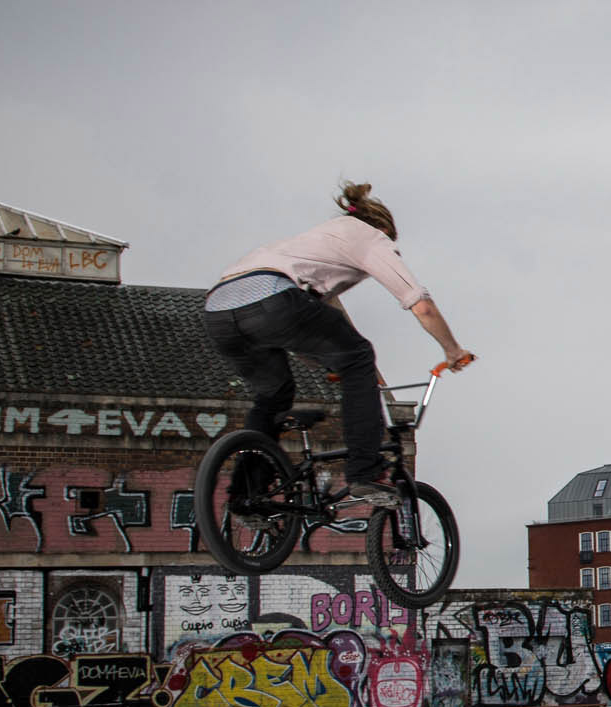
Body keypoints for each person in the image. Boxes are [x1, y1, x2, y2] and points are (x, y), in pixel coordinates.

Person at [202, 182, 472, 506]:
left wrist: (341, 365)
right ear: (383, 228)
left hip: (218, 310)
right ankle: (365, 473)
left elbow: (323, 320)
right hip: (272, 300)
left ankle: (247, 495)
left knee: (273, 395)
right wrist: (452, 350)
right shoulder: (371, 238)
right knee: (359, 355)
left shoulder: (318, 239)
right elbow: (421, 305)